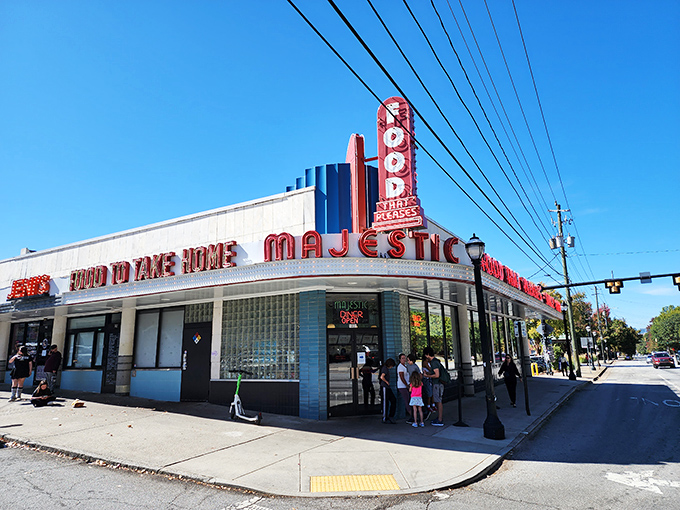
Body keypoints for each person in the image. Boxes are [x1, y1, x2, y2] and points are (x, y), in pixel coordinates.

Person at [422, 347, 444, 426]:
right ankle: (439, 417)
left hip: (437, 384)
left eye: (426, 355)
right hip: (438, 384)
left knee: (438, 401)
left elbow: (437, 375)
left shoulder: (434, 362)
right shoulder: (436, 361)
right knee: (437, 400)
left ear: (428, 354)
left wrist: (428, 376)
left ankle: (440, 419)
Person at [396, 353, 413, 423]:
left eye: (404, 358)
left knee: (409, 400)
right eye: (402, 358)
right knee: (407, 400)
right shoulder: (400, 367)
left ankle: (412, 414)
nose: (404, 359)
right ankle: (412, 416)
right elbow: (401, 376)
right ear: (400, 359)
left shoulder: (406, 366)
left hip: (407, 385)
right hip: (402, 386)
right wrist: (406, 385)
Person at [380, 358, 397, 424]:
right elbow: (382, 377)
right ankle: (384, 417)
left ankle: (391, 415)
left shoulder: (386, 368)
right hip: (384, 387)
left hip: (387, 387)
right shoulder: (384, 368)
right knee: (385, 402)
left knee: (393, 400)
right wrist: (386, 382)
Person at [421, 353, 435, 420]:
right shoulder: (425, 362)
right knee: (429, 393)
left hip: (430, 378)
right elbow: (430, 369)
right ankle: (428, 406)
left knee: (432, 392)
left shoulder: (430, 362)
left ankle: (433, 404)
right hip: (426, 379)